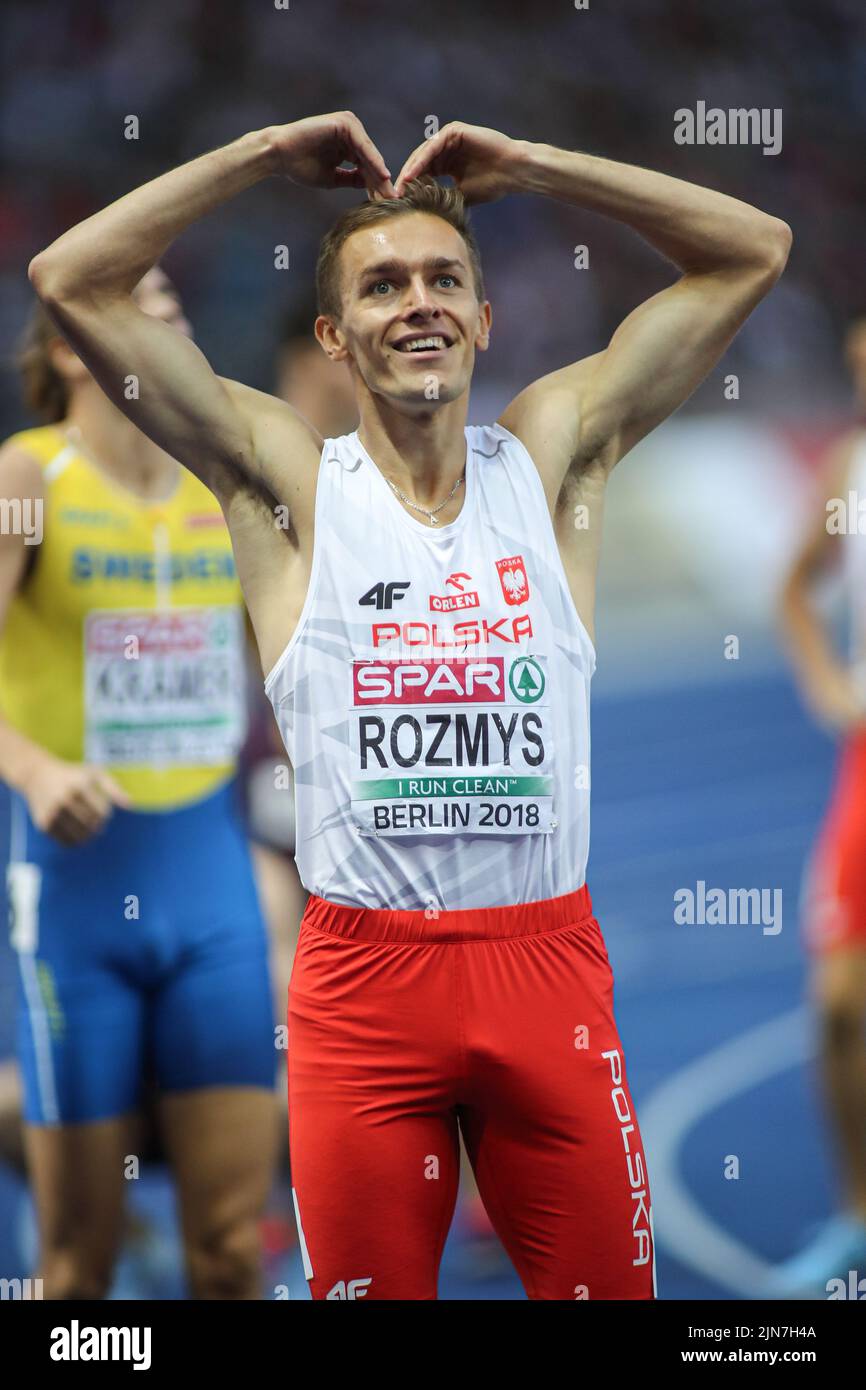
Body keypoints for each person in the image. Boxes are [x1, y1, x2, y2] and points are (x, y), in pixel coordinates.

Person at [28, 112, 791, 1300]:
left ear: (485, 320)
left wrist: (534, 163)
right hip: (362, 995)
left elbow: (751, 248)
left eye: (445, 279)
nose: (418, 301)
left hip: (544, 968)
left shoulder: (550, 459)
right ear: (333, 337)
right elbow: (71, 278)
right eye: (381, 286)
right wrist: (263, 156)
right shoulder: (284, 481)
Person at [0, 272, 279, 1299]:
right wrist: (33, 768)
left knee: (232, 1252)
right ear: (72, 347)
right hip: (75, 901)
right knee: (76, 1271)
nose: (166, 328)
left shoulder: (230, 487)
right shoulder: (27, 478)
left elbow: (285, 672)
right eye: (136, 311)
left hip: (210, 892)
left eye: (174, 312)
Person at [776, 316, 866, 1290]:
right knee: (838, 1006)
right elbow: (794, 589)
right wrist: (823, 682)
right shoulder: (850, 467)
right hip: (865, 763)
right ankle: (855, 1216)